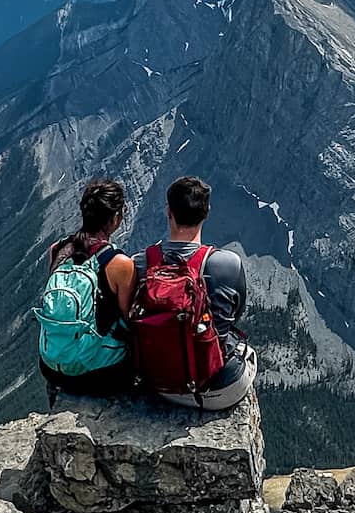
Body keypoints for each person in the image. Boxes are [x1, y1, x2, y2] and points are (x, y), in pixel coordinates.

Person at [131, 174, 256, 410]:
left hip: (158, 384)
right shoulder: (228, 264)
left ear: (169, 212)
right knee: (247, 352)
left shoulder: (141, 263)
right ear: (206, 213)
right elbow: (234, 314)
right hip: (216, 388)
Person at [35, 177, 138, 399]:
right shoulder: (119, 264)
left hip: (52, 366)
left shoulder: (57, 249)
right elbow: (128, 320)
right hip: (97, 375)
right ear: (115, 219)